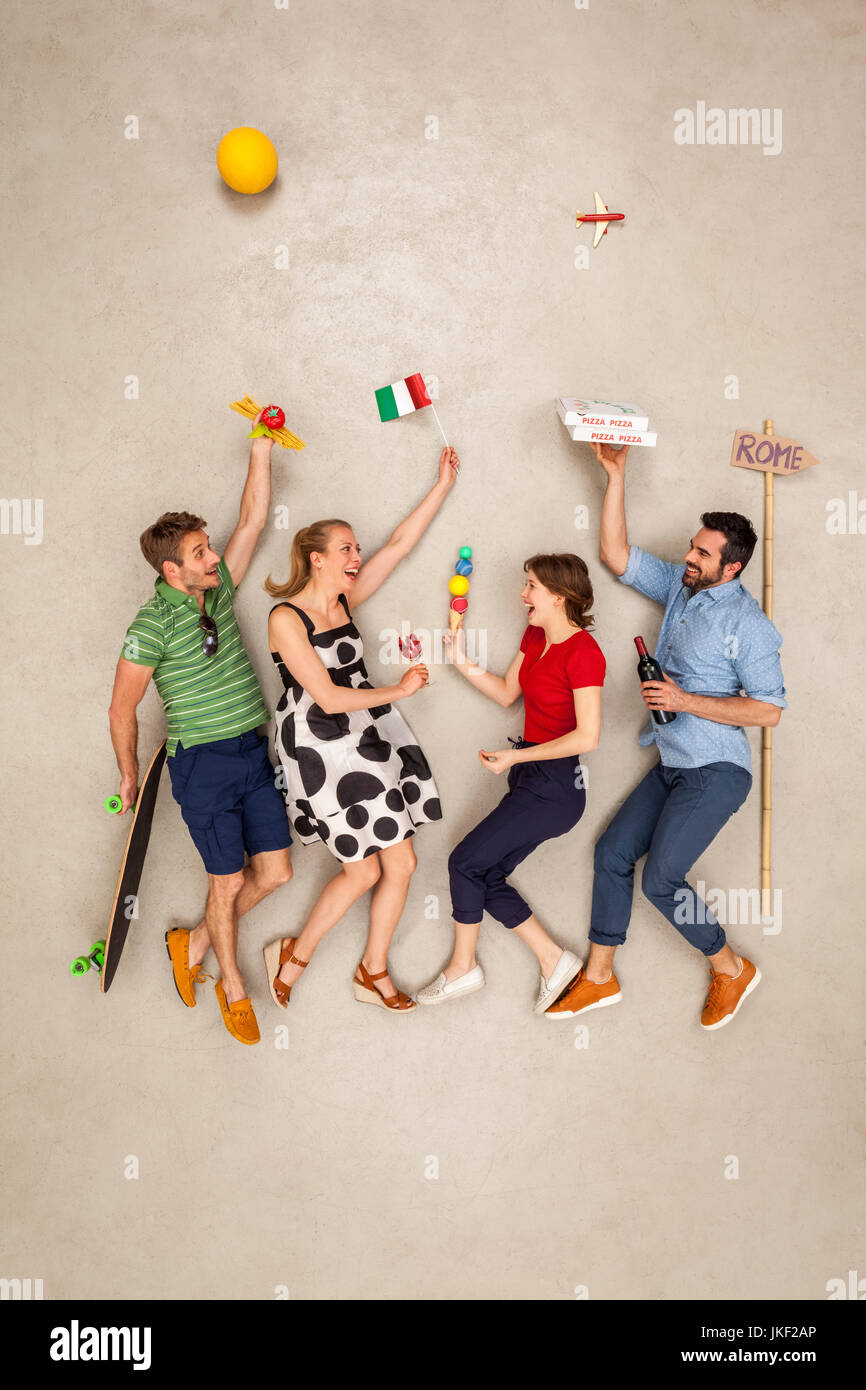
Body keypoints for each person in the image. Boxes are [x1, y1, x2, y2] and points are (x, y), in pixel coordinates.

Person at [547, 441, 786, 1030]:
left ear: (731, 566)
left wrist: (683, 700)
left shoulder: (749, 626)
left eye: (701, 552)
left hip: (717, 773)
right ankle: (599, 977)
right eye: (691, 546)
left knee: (661, 879)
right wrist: (616, 475)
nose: (688, 555)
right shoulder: (683, 588)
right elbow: (615, 553)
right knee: (612, 854)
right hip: (673, 765)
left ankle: (730, 968)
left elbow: (769, 712)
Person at [109, 410, 292, 1046]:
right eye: (198, 553)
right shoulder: (149, 626)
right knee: (230, 879)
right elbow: (121, 708)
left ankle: (190, 942)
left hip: (251, 751)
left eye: (207, 548)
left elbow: (251, 521)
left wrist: (261, 447)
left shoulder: (215, 592)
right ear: (170, 570)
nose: (213, 557)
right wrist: (130, 773)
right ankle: (231, 984)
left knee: (276, 874)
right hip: (203, 766)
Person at [262, 445, 459, 1014]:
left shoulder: (346, 599)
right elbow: (322, 695)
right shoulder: (284, 619)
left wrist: (441, 484)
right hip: (320, 743)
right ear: (316, 558)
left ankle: (370, 969)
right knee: (364, 866)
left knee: (397, 863)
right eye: (346, 548)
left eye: (355, 548)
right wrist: (398, 691)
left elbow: (399, 544)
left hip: (365, 734)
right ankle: (296, 956)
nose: (357, 554)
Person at [415, 553, 605, 1012]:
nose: (523, 594)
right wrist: (459, 659)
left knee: (463, 862)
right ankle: (552, 959)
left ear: (560, 596)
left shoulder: (584, 653)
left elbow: (588, 736)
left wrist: (518, 755)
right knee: (483, 871)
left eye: (532, 587)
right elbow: (506, 692)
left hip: (557, 789)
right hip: (529, 779)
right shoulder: (536, 635)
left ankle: (463, 968)